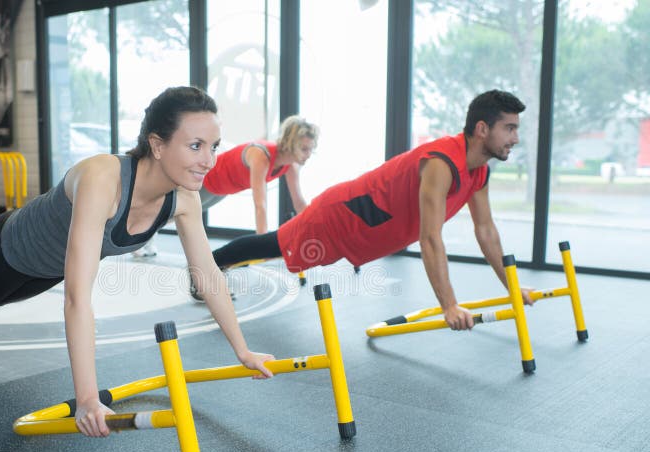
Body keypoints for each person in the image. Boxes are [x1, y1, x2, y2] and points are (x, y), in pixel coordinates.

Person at [0, 86, 276, 437]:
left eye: (214, 146)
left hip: (43, 268)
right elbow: (78, 298)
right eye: (195, 146)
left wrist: (244, 351)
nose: (209, 160)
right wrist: (87, 399)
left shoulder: (184, 200)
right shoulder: (103, 177)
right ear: (157, 145)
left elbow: (208, 276)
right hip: (6, 250)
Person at [202, 89, 535, 330]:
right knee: (273, 245)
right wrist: (448, 305)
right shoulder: (441, 164)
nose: (515, 138)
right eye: (509, 128)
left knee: (275, 245)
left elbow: (486, 230)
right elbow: (430, 238)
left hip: (366, 223)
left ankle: (213, 267)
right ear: (482, 129)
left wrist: (511, 286)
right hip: (341, 215)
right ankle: (208, 269)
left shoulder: (479, 171)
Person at [132, 116, 319, 257]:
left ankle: (144, 233)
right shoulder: (261, 155)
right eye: (304, 149)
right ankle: (138, 235)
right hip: (207, 179)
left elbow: (299, 203)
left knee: (174, 215)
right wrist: (263, 245)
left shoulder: (290, 165)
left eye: (311, 148)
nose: (309, 154)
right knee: (173, 213)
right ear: (290, 143)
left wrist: (315, 228)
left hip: (224, 190)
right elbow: (260, 204)